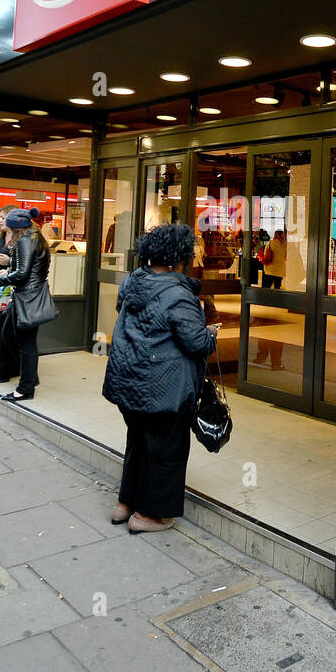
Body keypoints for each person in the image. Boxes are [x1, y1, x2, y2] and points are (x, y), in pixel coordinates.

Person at [102, 223, 220, 534]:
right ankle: (149, 516)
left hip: (129, 382)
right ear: (177, 258)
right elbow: (196, 343)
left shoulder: (133, 282)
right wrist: (211, 334)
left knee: (139, 444)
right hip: (163, 387)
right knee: (166, 450)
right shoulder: (178, 295)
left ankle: (124, 505)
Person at [0, 207, 50, 402]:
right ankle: (29, 378)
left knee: (25, 343)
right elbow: (30, 267)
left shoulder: (25, 240)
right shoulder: (35, 237)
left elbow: (23, 273)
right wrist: (8, 269)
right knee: (10, 334)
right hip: (29, 295)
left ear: (17, 226)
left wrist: (1, 280)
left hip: (27, 297)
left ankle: (26, 388)